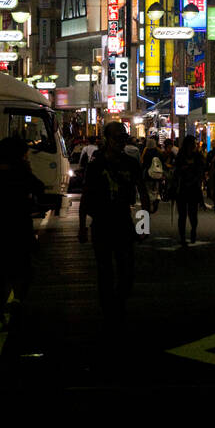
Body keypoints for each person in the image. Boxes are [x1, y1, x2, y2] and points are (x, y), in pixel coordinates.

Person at [79, 123, 148, 325]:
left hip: (123, 221)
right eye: (117, 137)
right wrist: (82, 226)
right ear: (107, 139)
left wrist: (144, 225)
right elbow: (85, 196)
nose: (121, 141)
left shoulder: (130, 163)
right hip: (101, 222)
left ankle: (118, 301)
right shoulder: (96, 165)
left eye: (124, 137)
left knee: (127, 270)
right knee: (105, 270)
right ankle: (110, 309)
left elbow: (142, 192)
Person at [0, 136, 42, 315]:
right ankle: (16, 301)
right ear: (20, 156)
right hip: (19, 231)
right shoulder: (22, 176)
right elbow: (39, 189)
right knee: (22, 271)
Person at [173, 135, 207, 247]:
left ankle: (191, 232)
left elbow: (201, 171)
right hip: (187, 188)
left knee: (189, 214)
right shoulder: (184, 156)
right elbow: (177, 172)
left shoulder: (192, 156)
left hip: (189, 188)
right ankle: (185, 235)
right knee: (185, 214)